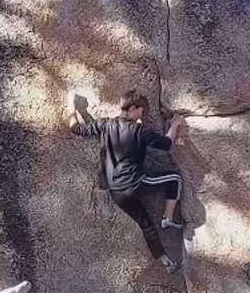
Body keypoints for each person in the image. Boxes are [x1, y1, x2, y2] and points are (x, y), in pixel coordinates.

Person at [69, 89, 184, 273]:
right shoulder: (139, 131)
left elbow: (76, 128)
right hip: (135, 184)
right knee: (175, 179)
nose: (143, 114)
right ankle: (168, 218)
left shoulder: (106, 125)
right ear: (132, 108)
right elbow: (167, 144)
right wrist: (175, 124)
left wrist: (72, 107)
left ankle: (166, 262)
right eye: (141, 110)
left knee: (145, 223)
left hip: (116, 193)